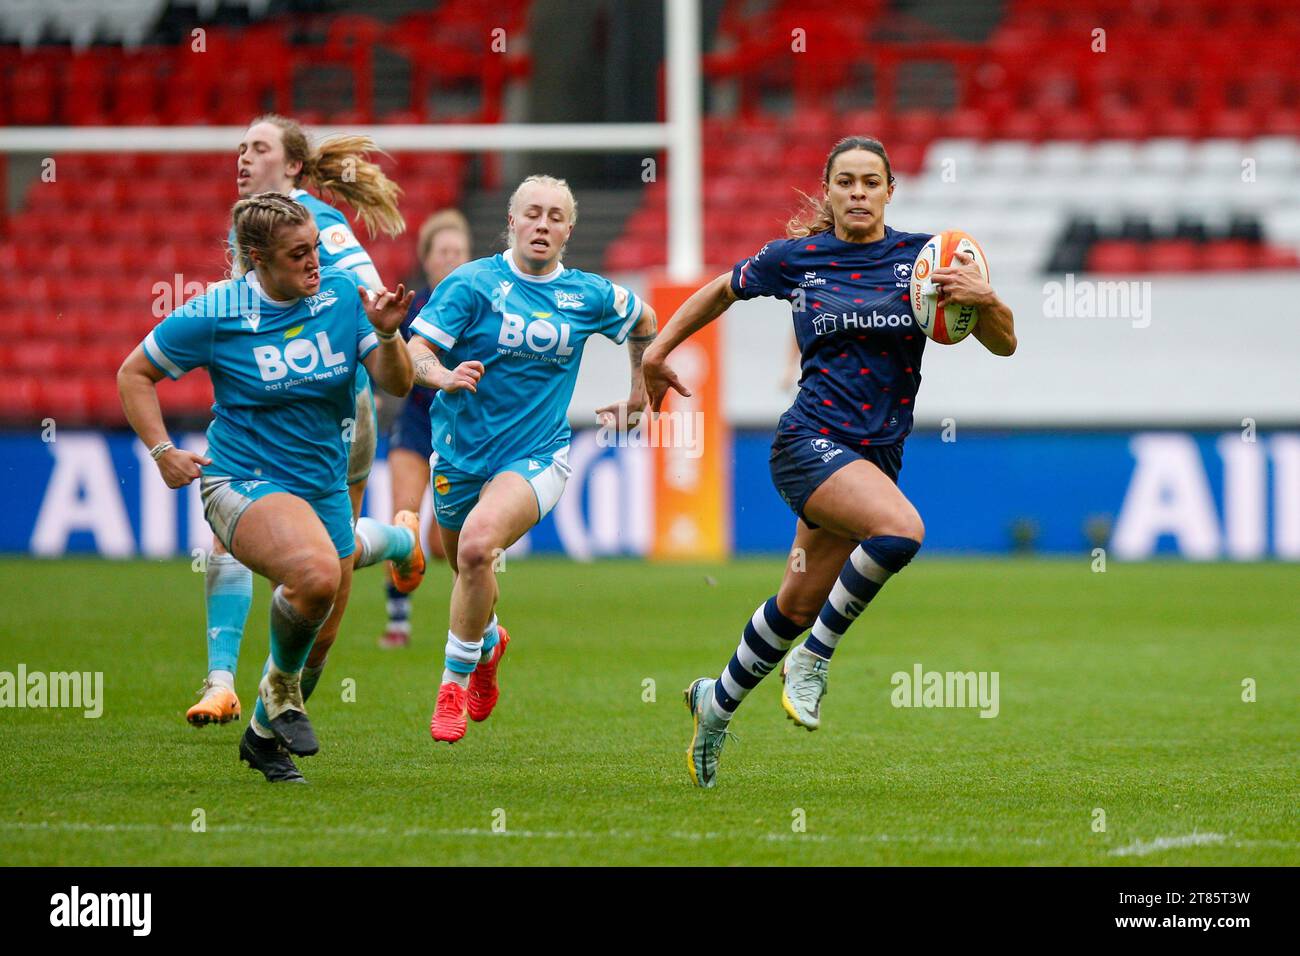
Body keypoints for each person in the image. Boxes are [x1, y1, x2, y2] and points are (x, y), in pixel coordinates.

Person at [641, 136, 1018, 788]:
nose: (858, 193)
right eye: (846, 181)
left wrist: (984, 299)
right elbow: (720, 290)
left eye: (871, 181)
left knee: (796, 601)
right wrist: (657, 351)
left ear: (890, 191)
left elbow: (1004, 345)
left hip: (875, 455)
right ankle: (814, 660)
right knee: (901, 531)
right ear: (828, 191)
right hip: (808, 442)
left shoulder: (923, 259)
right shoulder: (799, 259)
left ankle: (715, 703)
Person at [119, 193, 417, 781]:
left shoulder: (339, 296)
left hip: (324, 488)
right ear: (257, 258)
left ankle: (260, 735)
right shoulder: (218, 311)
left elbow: (398, 384)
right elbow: (134, 374)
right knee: (314, 576)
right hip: (241, 481)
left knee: (318, 639)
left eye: (315, 248)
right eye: (298, 254)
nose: (315, 263)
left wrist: (387, 337)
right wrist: (161, 451)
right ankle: (277, 690)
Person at [406, 174, 657, 743]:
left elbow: (643, 321)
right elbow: (416, 350)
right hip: (458, 457)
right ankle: (489, 641)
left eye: (555, 217)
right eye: (532, 214)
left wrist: (640, 393)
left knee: (476, 547)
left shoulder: (587, 294)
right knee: (466, 565)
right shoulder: (471, 284)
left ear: (568, 230)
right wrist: (443, 375)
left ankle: (451, 684)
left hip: (537, 457)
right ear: (512, 222)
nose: (542, 225)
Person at [186, 114, 417, 728]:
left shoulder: (322, 228)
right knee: (243, 535)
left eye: (257, 148)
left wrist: (411, 355)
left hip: (336, 408)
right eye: (238, 146)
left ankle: (397, 540)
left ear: (292, 166)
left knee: (328, 567)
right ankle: (223, 682)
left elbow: (369, 305)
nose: (241, 156)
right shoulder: (255, 231)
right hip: (270, 413)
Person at [377, 210, 472, 649]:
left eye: (459, 251)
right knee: (404, 523)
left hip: (462, 434)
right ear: (427, 258)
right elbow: (381, 354)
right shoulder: (410, 307)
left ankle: (473, 630)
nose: (452, 259)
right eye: (443, 251)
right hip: (416, 426)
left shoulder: (482, 306)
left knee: (445, 545)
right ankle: (398, 622)